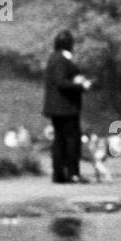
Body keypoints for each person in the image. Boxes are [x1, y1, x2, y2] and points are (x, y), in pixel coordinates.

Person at [41, 30, 92, 183]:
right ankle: (72, 173)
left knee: (60, 140)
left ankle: (59, 174)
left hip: (57, 107)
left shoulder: (54, 58)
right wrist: (82, 86)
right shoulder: (61, 60)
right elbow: (61, 82)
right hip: (65, 107)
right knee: (72, 140)